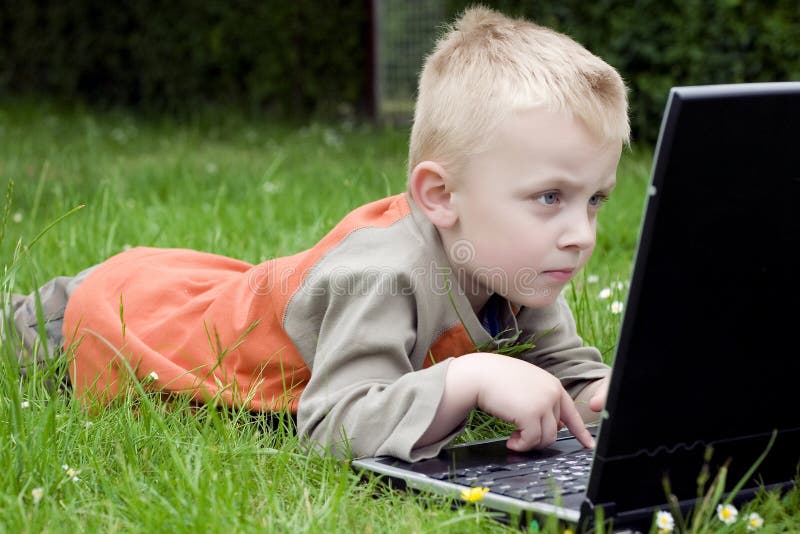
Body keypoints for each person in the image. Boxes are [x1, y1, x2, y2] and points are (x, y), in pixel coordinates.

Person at [2, 6, 629, 462]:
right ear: (441, 197)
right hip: (116, 319)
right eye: (550, 198)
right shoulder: (384, 277)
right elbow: (332, 423)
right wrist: (470, 379)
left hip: (212, 297)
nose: (579, 234)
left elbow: (568, 371)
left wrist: (610, 392)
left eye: (594, 199)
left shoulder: (516, 269)